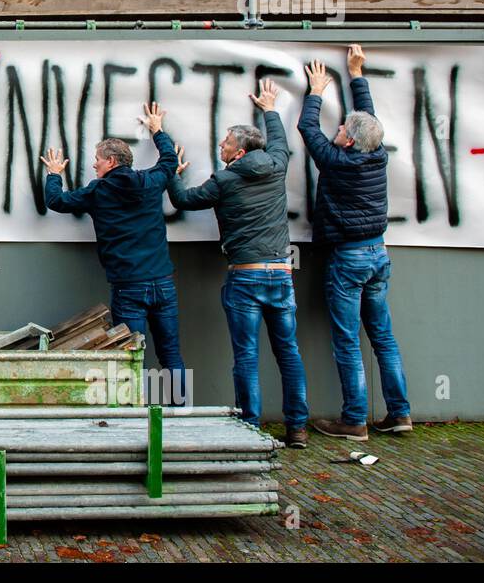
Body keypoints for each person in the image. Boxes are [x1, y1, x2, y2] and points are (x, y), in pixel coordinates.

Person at [166, 79, 308, 447]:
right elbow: (279, 140)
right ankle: (298, 428)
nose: (221, 146)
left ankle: (252, 426)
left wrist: (172, 173)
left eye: (226, 143)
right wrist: (270, 108)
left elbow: (183, 200)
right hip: (280, 272)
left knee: (246, 354)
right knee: (288, 352)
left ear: (240, 152)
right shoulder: (277, 165)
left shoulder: (224, 181)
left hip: (245, 276)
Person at [299, 45, 410, 439]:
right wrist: (356, 74)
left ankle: (354, 420)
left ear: (347, 142)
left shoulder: (336, 161)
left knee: (347, 341)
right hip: (378, 253)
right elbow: (370, 119)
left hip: (349, 259)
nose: (338, 129)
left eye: (343, 129)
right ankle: (399, 413)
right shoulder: (375, 152)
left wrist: (315, 91)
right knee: (382, 336)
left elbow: (307, 130)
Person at [41, 104, 187, 400]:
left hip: (129, 287)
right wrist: (157, 128)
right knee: (170, 354)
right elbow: (169, 160)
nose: (94, 165)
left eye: (97, 160)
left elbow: (56, 201)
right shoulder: (151, 181)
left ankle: (136, 417)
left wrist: (54, 173)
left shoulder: (98, 191)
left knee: (130, 355)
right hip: (162, 282)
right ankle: (179, 416)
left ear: (110, 161)